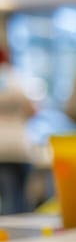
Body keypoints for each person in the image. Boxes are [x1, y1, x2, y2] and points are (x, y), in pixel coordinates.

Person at [0, 48, 36, 214]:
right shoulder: (15, 78)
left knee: (7, 203)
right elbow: (32, 110)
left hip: (2, 149)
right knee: (21, 202)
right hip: (20, 146)